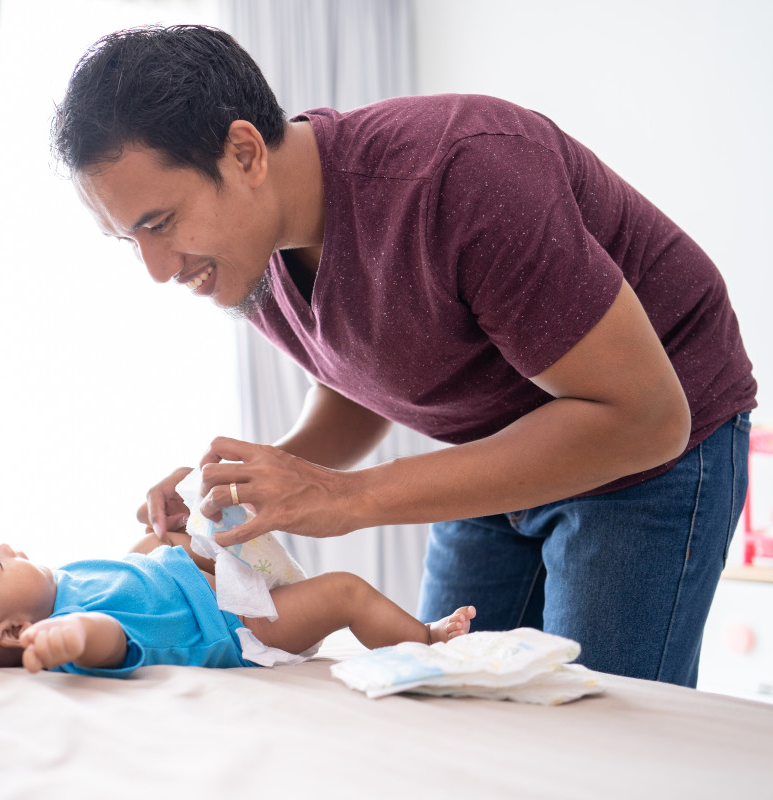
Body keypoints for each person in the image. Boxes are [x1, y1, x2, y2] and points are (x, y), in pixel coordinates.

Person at [49, 24, 757, 687]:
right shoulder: (250, 253)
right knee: (443, 691)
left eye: (160, 224)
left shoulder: (464, 174)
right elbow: (372, 365)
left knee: (601, 755)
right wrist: (256, 489)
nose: (157, 269)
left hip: (646, 446)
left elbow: (646, 417)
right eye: (128, 240)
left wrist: (347, 497)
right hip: (491, 441)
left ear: (244, 153)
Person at [0, 532, 475, 675]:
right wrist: (75, 639)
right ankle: (425, 640)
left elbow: (134, 573)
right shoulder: (67, 626)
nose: (7, 547)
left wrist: (161, 541)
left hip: (221, 587)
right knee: (345, 592)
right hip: (241, 629)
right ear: (15, 632)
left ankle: (424, 637)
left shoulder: (64, 581)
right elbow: (114, 637)